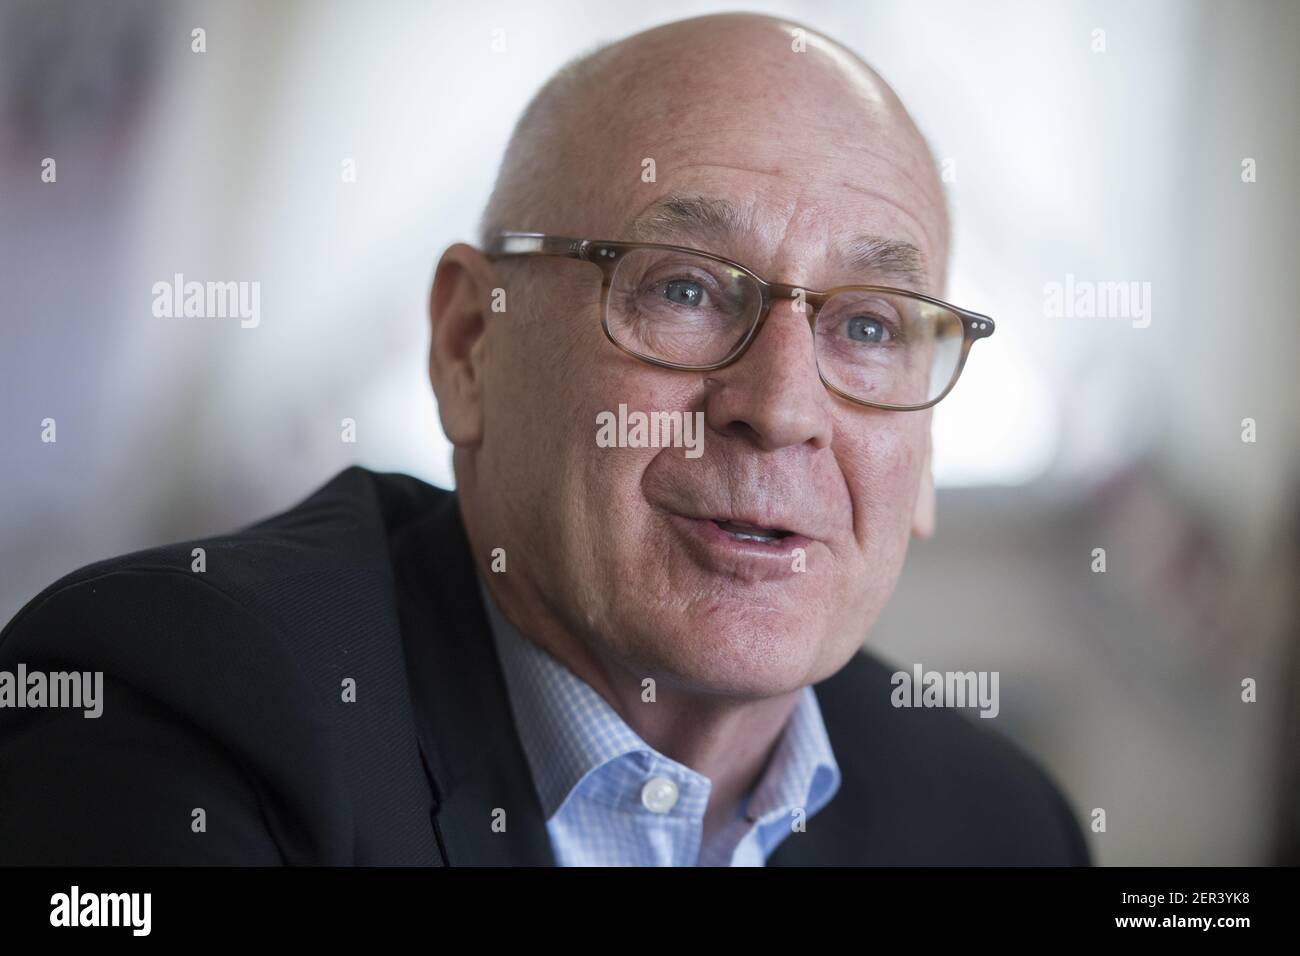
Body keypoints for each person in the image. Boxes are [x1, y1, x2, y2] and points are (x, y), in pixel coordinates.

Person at [0, 13, 1089, 866]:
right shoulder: (185, 704)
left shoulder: (999, 821)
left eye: (866, 325)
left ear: (927, 456)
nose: (784, 405)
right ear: (470, 344)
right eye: (684, 289)